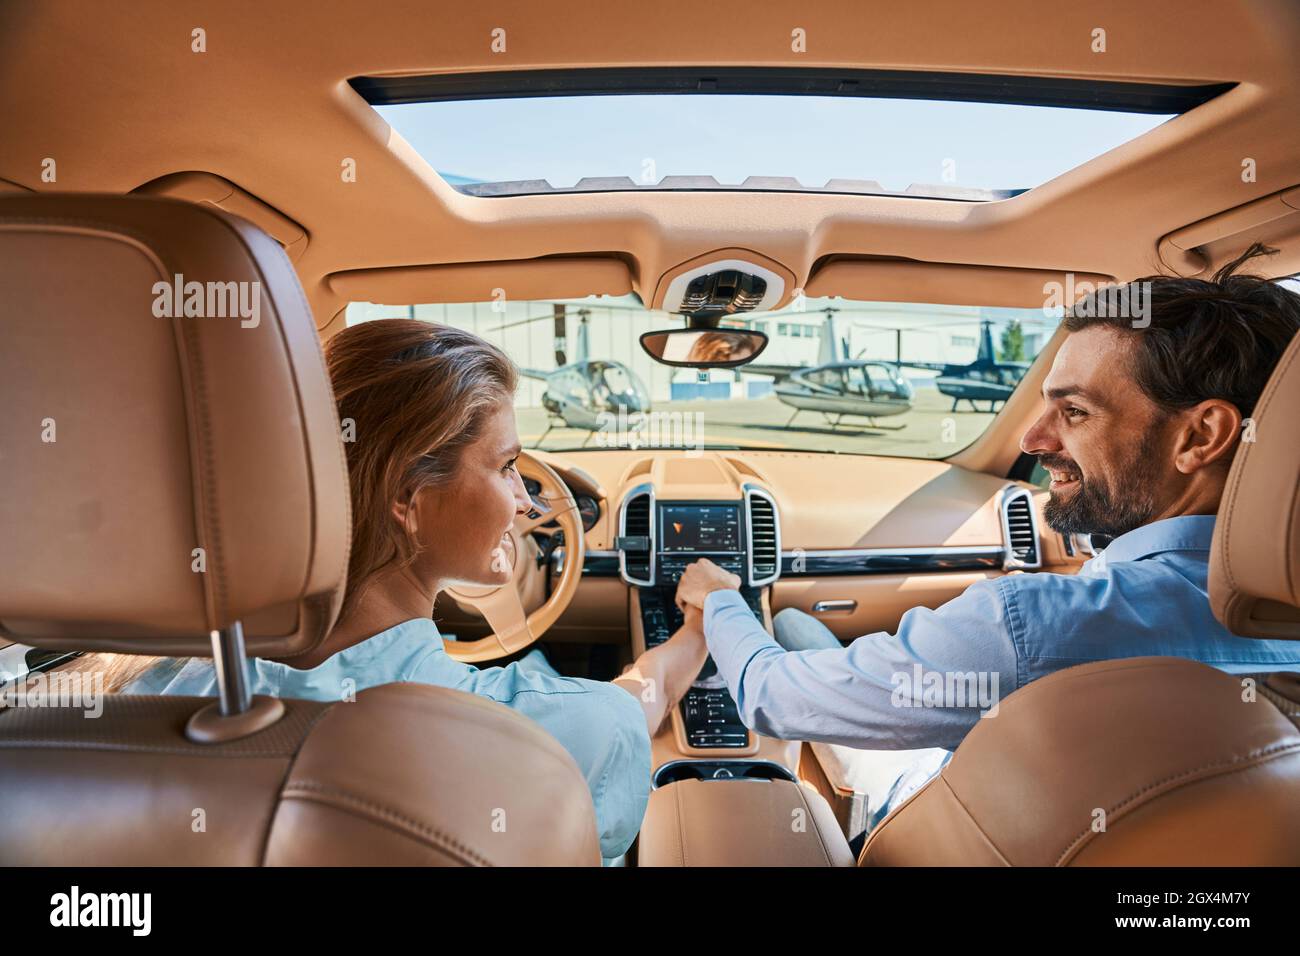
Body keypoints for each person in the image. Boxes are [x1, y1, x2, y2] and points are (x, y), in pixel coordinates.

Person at [674, 243, 1300, 847]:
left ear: (1202, 436)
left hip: (942, 809)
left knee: (790, 632)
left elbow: (773, 695)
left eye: (1075, 412)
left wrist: (723, 602)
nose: (1032, 439)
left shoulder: (1034, 627)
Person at [122, 320, 710, 862]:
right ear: (406, 498)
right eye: (506, 466)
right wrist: (700, 626)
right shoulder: (548, 736)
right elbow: (640, 700)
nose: (526, 502)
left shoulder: (154, 695)